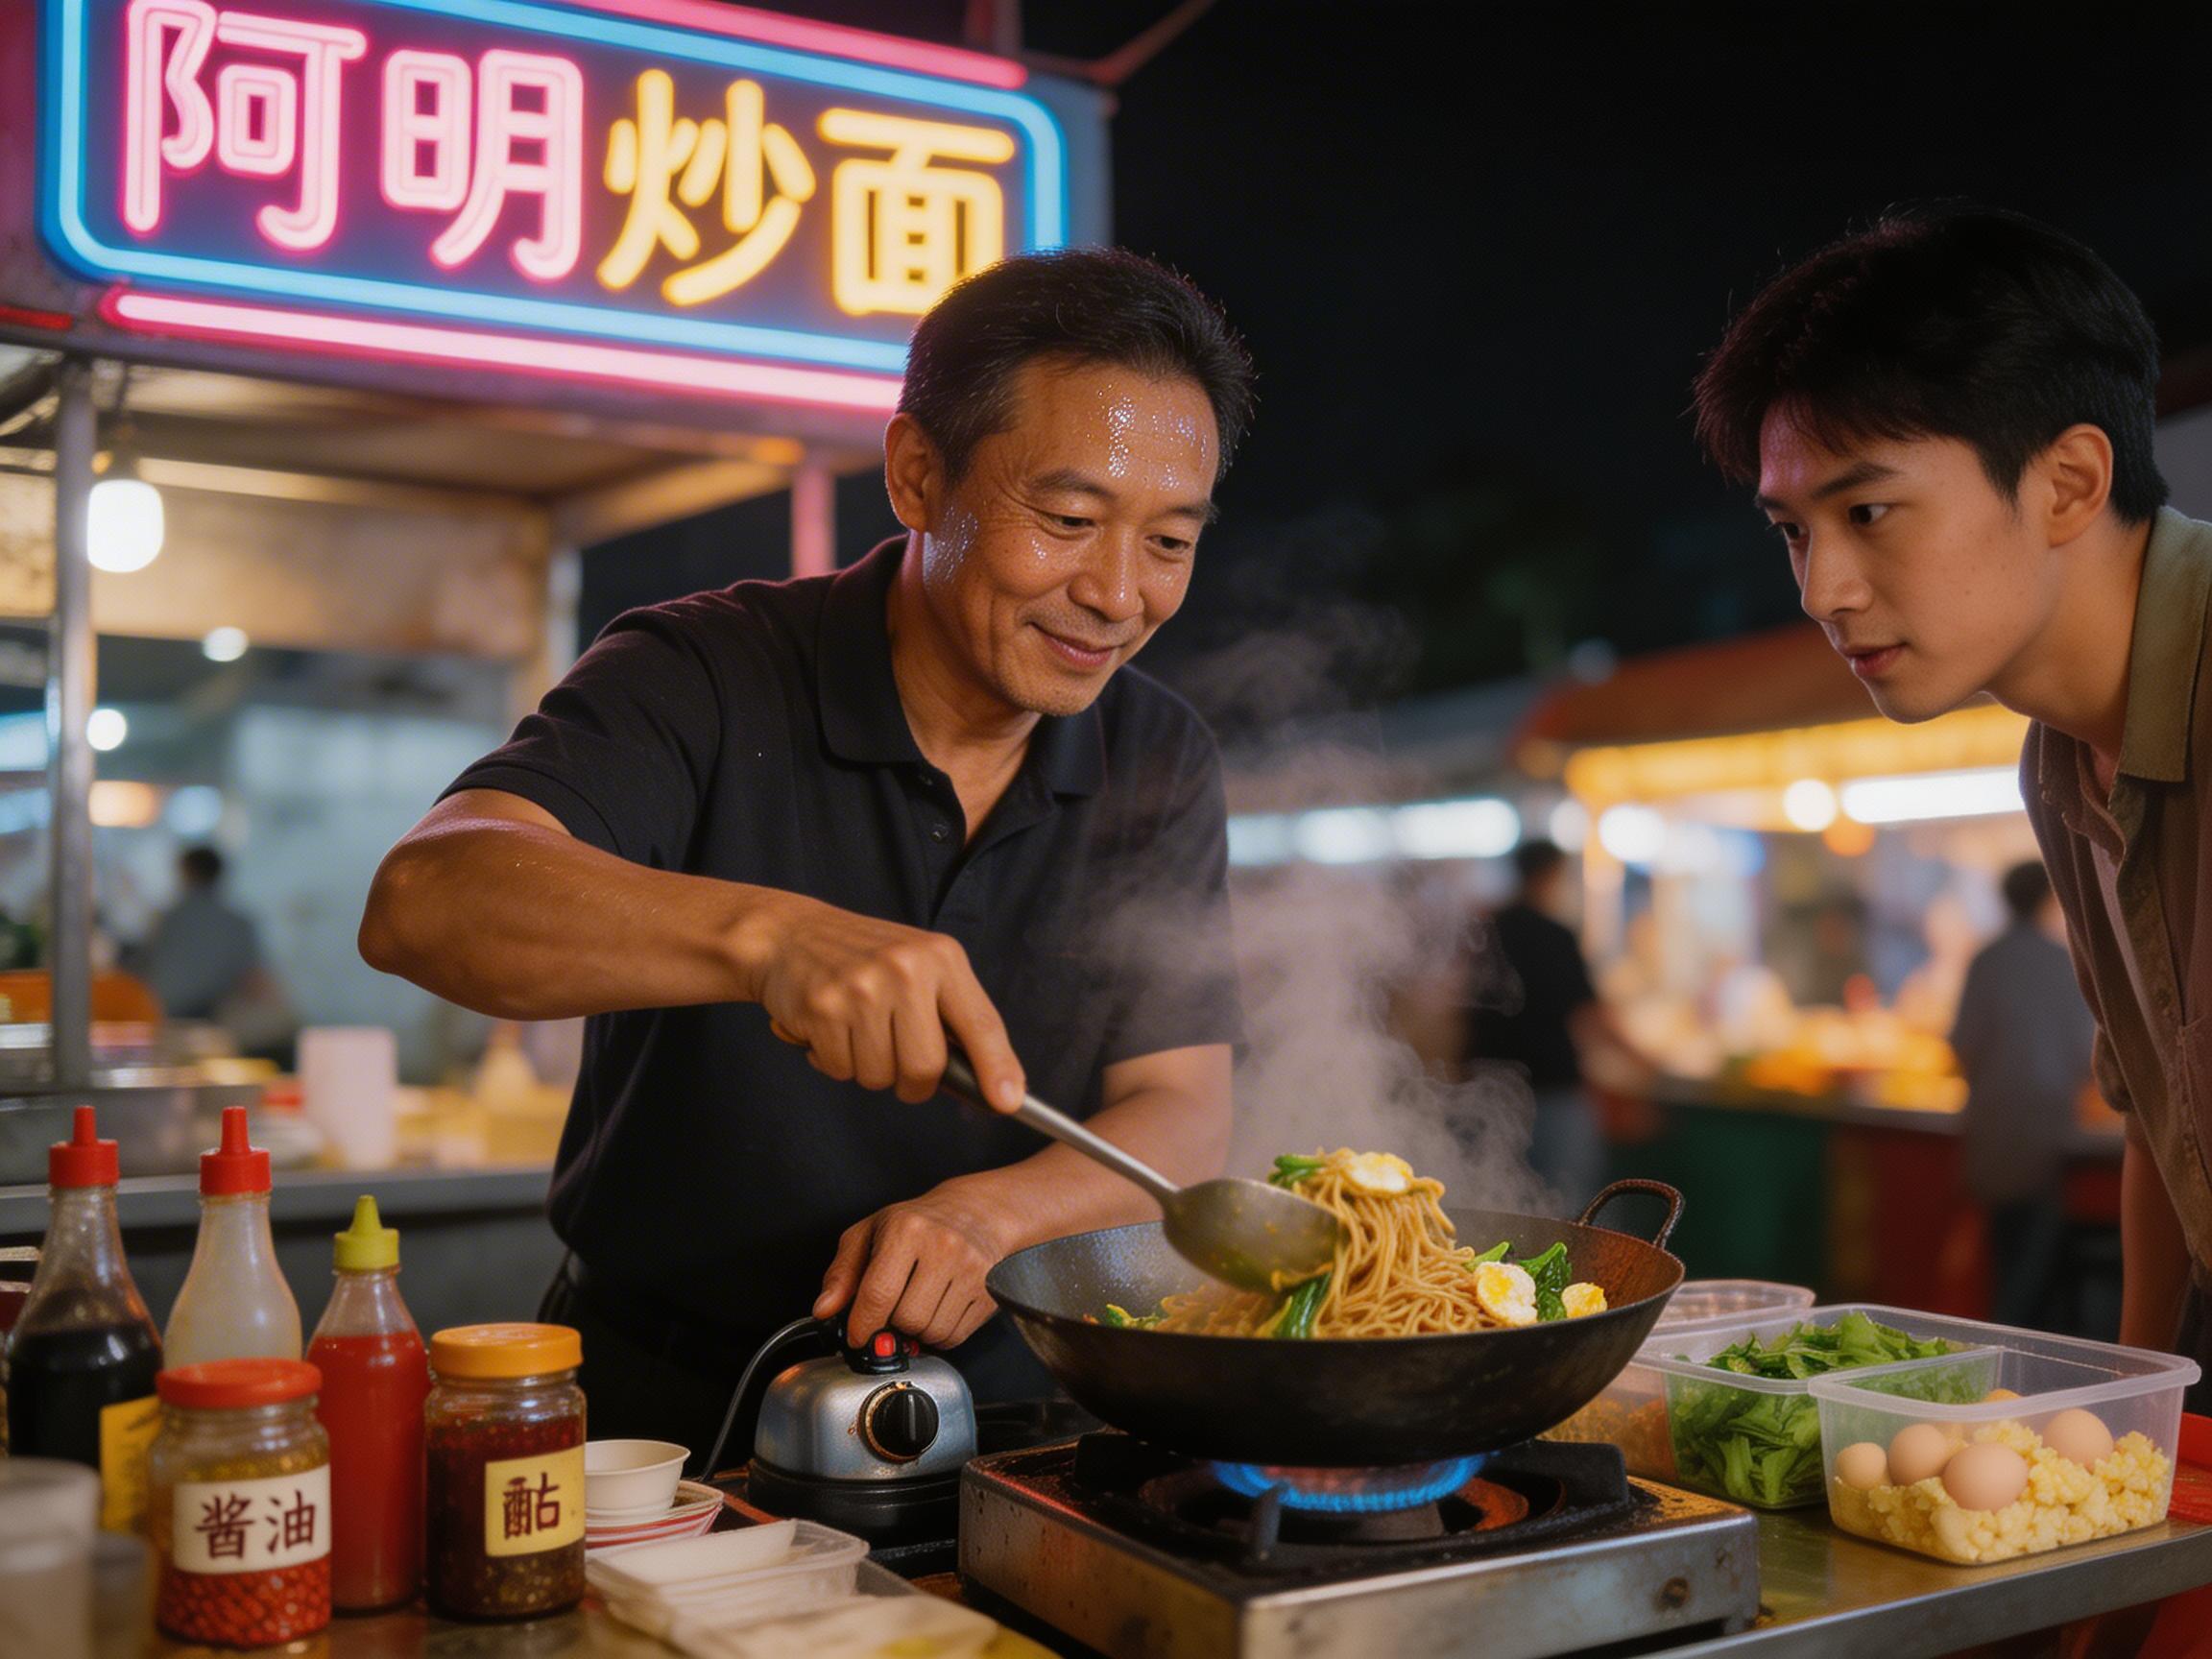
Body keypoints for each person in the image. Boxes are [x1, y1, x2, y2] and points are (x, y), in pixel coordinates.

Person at [360, 249, 1253, 1451]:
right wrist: (770, 939)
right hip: (665, 1413)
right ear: (919, 476)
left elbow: (1182, 1107)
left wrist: (992, 1219)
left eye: (1169, 542)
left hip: (1022, 1412)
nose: (1115, 593)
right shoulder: (705, 673)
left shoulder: (1158, 755)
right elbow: (423, 899)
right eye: (1071, 520)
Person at [1695, 204, 2212, 1404]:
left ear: (2070, 482)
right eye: (1792, 530)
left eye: (1868, 513)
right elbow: (2155, 1115)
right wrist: (2135, 1422)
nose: (1823, 589)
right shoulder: (2057, 756)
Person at [1466, 840, 1652, 1211]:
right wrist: (1644, 1062)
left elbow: (1457, 1010)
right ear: (1551, 874)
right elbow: (1588, 1013)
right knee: (1567, 1207)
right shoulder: (1554, 935)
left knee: (1495, 1205)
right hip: (1552, 1091)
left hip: (1487, 1092)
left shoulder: (1485, 932)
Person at [1950, 861, 2095, 1330]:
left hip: (1991, 1131)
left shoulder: (1985, 960)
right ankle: (2018, 1347)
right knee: (2036, 1260)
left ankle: (2002, 1341)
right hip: (2048, 1130)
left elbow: (1962, 1045)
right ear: (2047, 900)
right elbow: (2086, 1057)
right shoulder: (2063, 962)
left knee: (2002, 1253)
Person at [139, 846, 264, 1022]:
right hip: (219, 1017)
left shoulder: (170, 919)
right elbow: (252, 977)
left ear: (187, 872)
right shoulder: (238, 922)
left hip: (170, 1011)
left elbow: (146, 963)